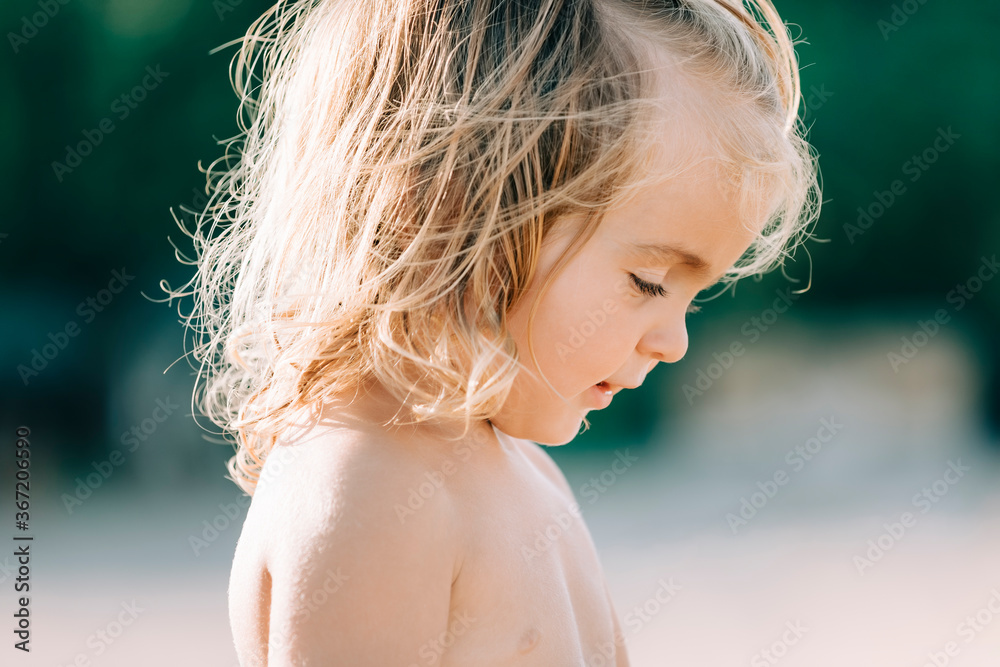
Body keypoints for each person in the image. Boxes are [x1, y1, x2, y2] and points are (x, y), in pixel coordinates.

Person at [165, 0, 820, 663]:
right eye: (648, 281)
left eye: (693, 299)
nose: (673, 342)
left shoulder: (533, 479)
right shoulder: (368, 492)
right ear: (461, 202)